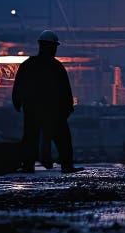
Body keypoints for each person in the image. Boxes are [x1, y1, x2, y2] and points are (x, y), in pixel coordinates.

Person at [12, 30, 81, 174]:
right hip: (53, 111)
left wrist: (17, 102)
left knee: (31, 138)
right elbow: (65, 91)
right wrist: (67, 108)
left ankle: (28, 166)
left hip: (33, 110)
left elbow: (18, 85)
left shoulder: (28, 65)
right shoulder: (56, 67)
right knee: (62, 139)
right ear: (52, 47)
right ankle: (66, 166)